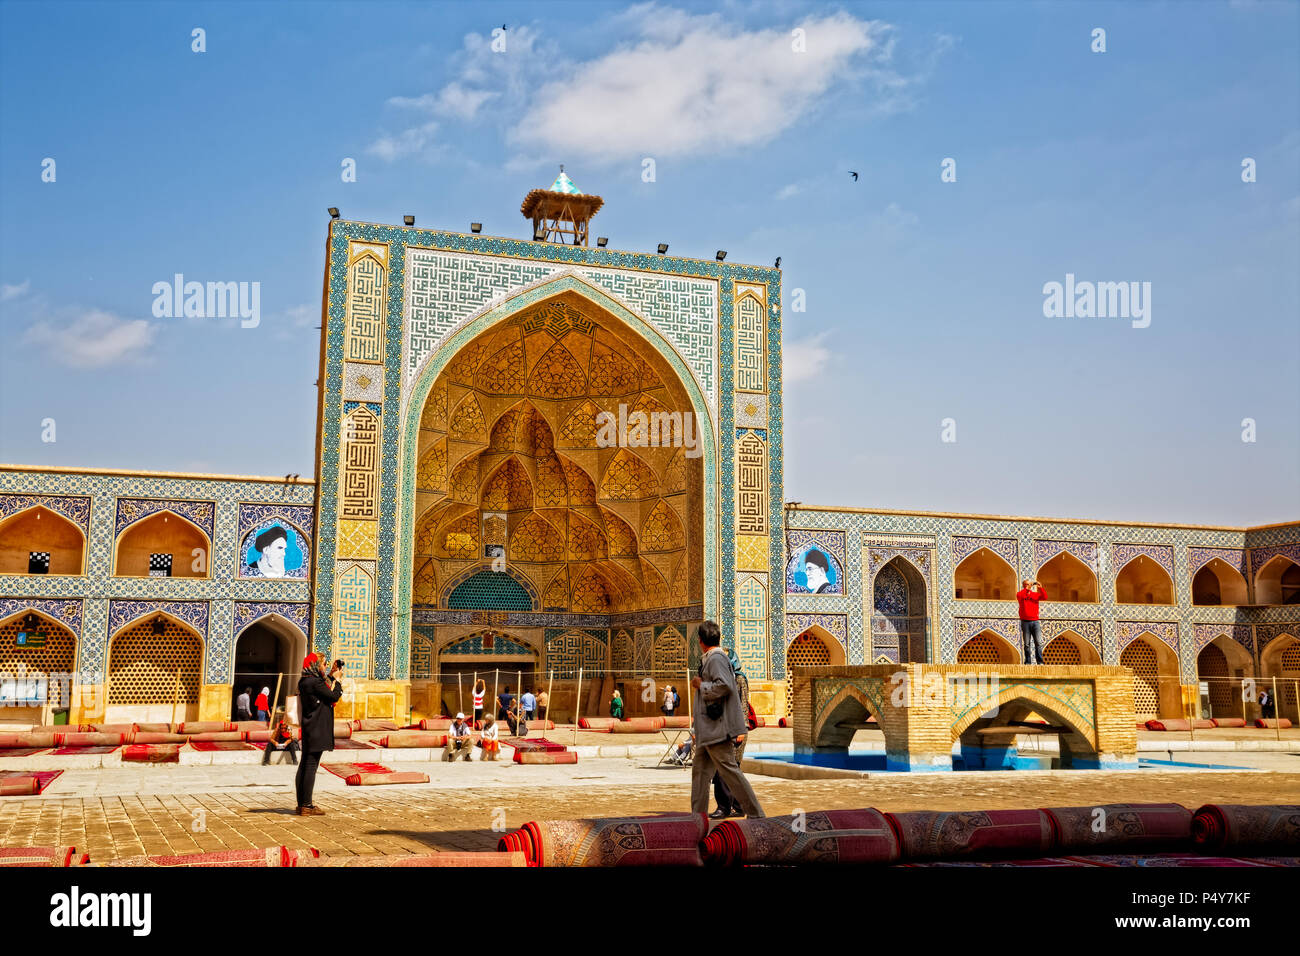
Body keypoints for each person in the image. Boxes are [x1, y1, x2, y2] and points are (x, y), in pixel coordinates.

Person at [689, 620, 765, 819]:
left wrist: (701, 685)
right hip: (708, 731)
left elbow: (724, 686)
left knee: (730, 773)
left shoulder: (716, 659)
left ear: (700, 640)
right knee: (700, 775)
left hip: (717, 730)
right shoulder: (713, 658)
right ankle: (698, 818)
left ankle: (756, 813)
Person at [294, 653, 343, 816]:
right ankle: (307, 805)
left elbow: (322, 689)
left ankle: (302, 804)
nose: (324, 667)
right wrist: (339, 681)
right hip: (318, 728)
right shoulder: (315, 682)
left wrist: (330, 675)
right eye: (322, 664)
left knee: (304, 765)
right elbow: (333, 695)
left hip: (309, 728)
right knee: (311, 766)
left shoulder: (305, 681)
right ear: (315, 666)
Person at [712, 647, 756, 819]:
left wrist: (741, 730)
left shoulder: (739, 679)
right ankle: (740, 805)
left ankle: (724, 808)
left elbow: (743, 705)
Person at [1016, 579, 1047, 664]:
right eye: (1025, 584)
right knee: (1027, 644)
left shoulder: (1035, 595)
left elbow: (1044, 597)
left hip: (1035, 621)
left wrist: (1041, 588)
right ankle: (1028, 662)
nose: (1027, 585)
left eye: (1028, 584)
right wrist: (1028, 587)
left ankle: (1040, 662)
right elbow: (1022, 595)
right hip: (1025, 622)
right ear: (1023, 585)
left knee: (1038, 642)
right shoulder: (1020, 594)